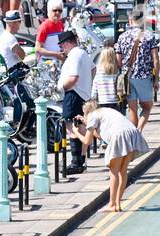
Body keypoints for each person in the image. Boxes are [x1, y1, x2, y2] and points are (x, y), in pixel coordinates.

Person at [71, 100, 150, 211]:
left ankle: (112, 205)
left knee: (114, 171)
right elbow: (101, 136)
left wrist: (76, 132)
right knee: (123, 171)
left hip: (119, 135)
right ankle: (117, 204)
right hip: (131, 133)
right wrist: (86, 123)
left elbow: (87, 141)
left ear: (87, 112)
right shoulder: (105, 111)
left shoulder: (93, 116)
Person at [56, 30, 94, 174]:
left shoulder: (74, 56)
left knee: (71, 127)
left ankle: (76, 162)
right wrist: (87, 84)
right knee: (80, 126)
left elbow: (73, 78)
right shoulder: (83, 53)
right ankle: (81, 160)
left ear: (67, 43)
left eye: (62, 45)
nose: (62, 49)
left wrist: (59, 88)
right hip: (83, 93)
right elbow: (93, 69)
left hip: (73, 93)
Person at [115, 8, 158, 129]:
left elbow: (118, 61)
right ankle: (138, 131)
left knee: (132, 109)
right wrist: (157, 79)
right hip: (144, 76)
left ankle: (134, 137)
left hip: (127, 77)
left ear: (130, 20)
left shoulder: (122, 37)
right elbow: (155, 59)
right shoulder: (149, 35)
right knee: (147, 107)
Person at [94, 45, 124, 113]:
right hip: (115, 101)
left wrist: (93, 97)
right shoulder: (117, 71)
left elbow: (95, 86)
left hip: (102, 100)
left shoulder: (99, 71)